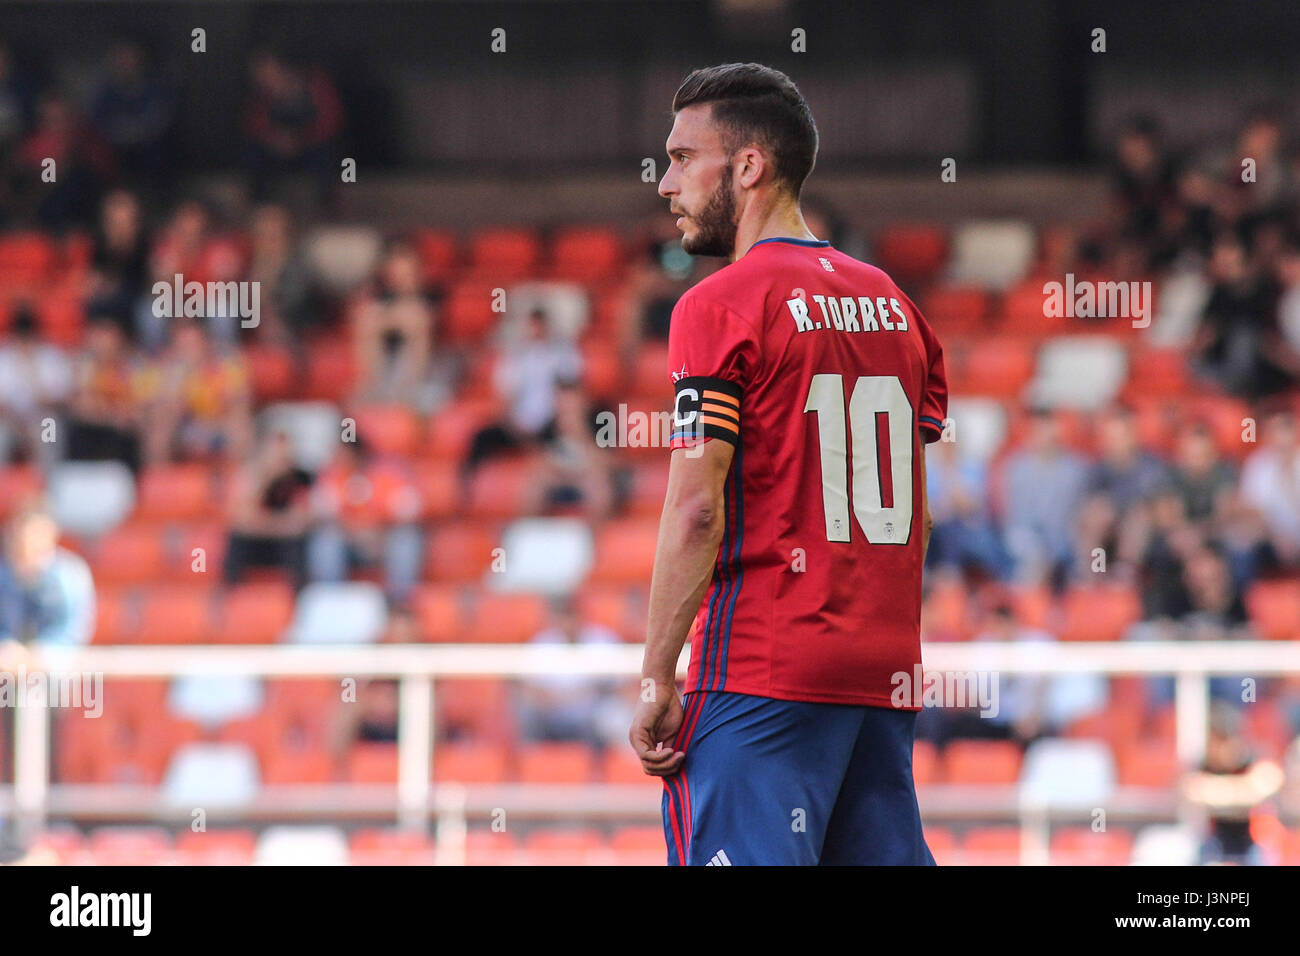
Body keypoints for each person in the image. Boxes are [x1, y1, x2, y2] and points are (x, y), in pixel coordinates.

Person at [629, 63, 944, 865]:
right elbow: (919, 509)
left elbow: (698, 508)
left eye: (680, 158)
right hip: (882, 675)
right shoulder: (898, 308)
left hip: (765, 670)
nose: (665, 183)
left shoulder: (719, 304)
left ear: (747, 167)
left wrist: (657, 676)